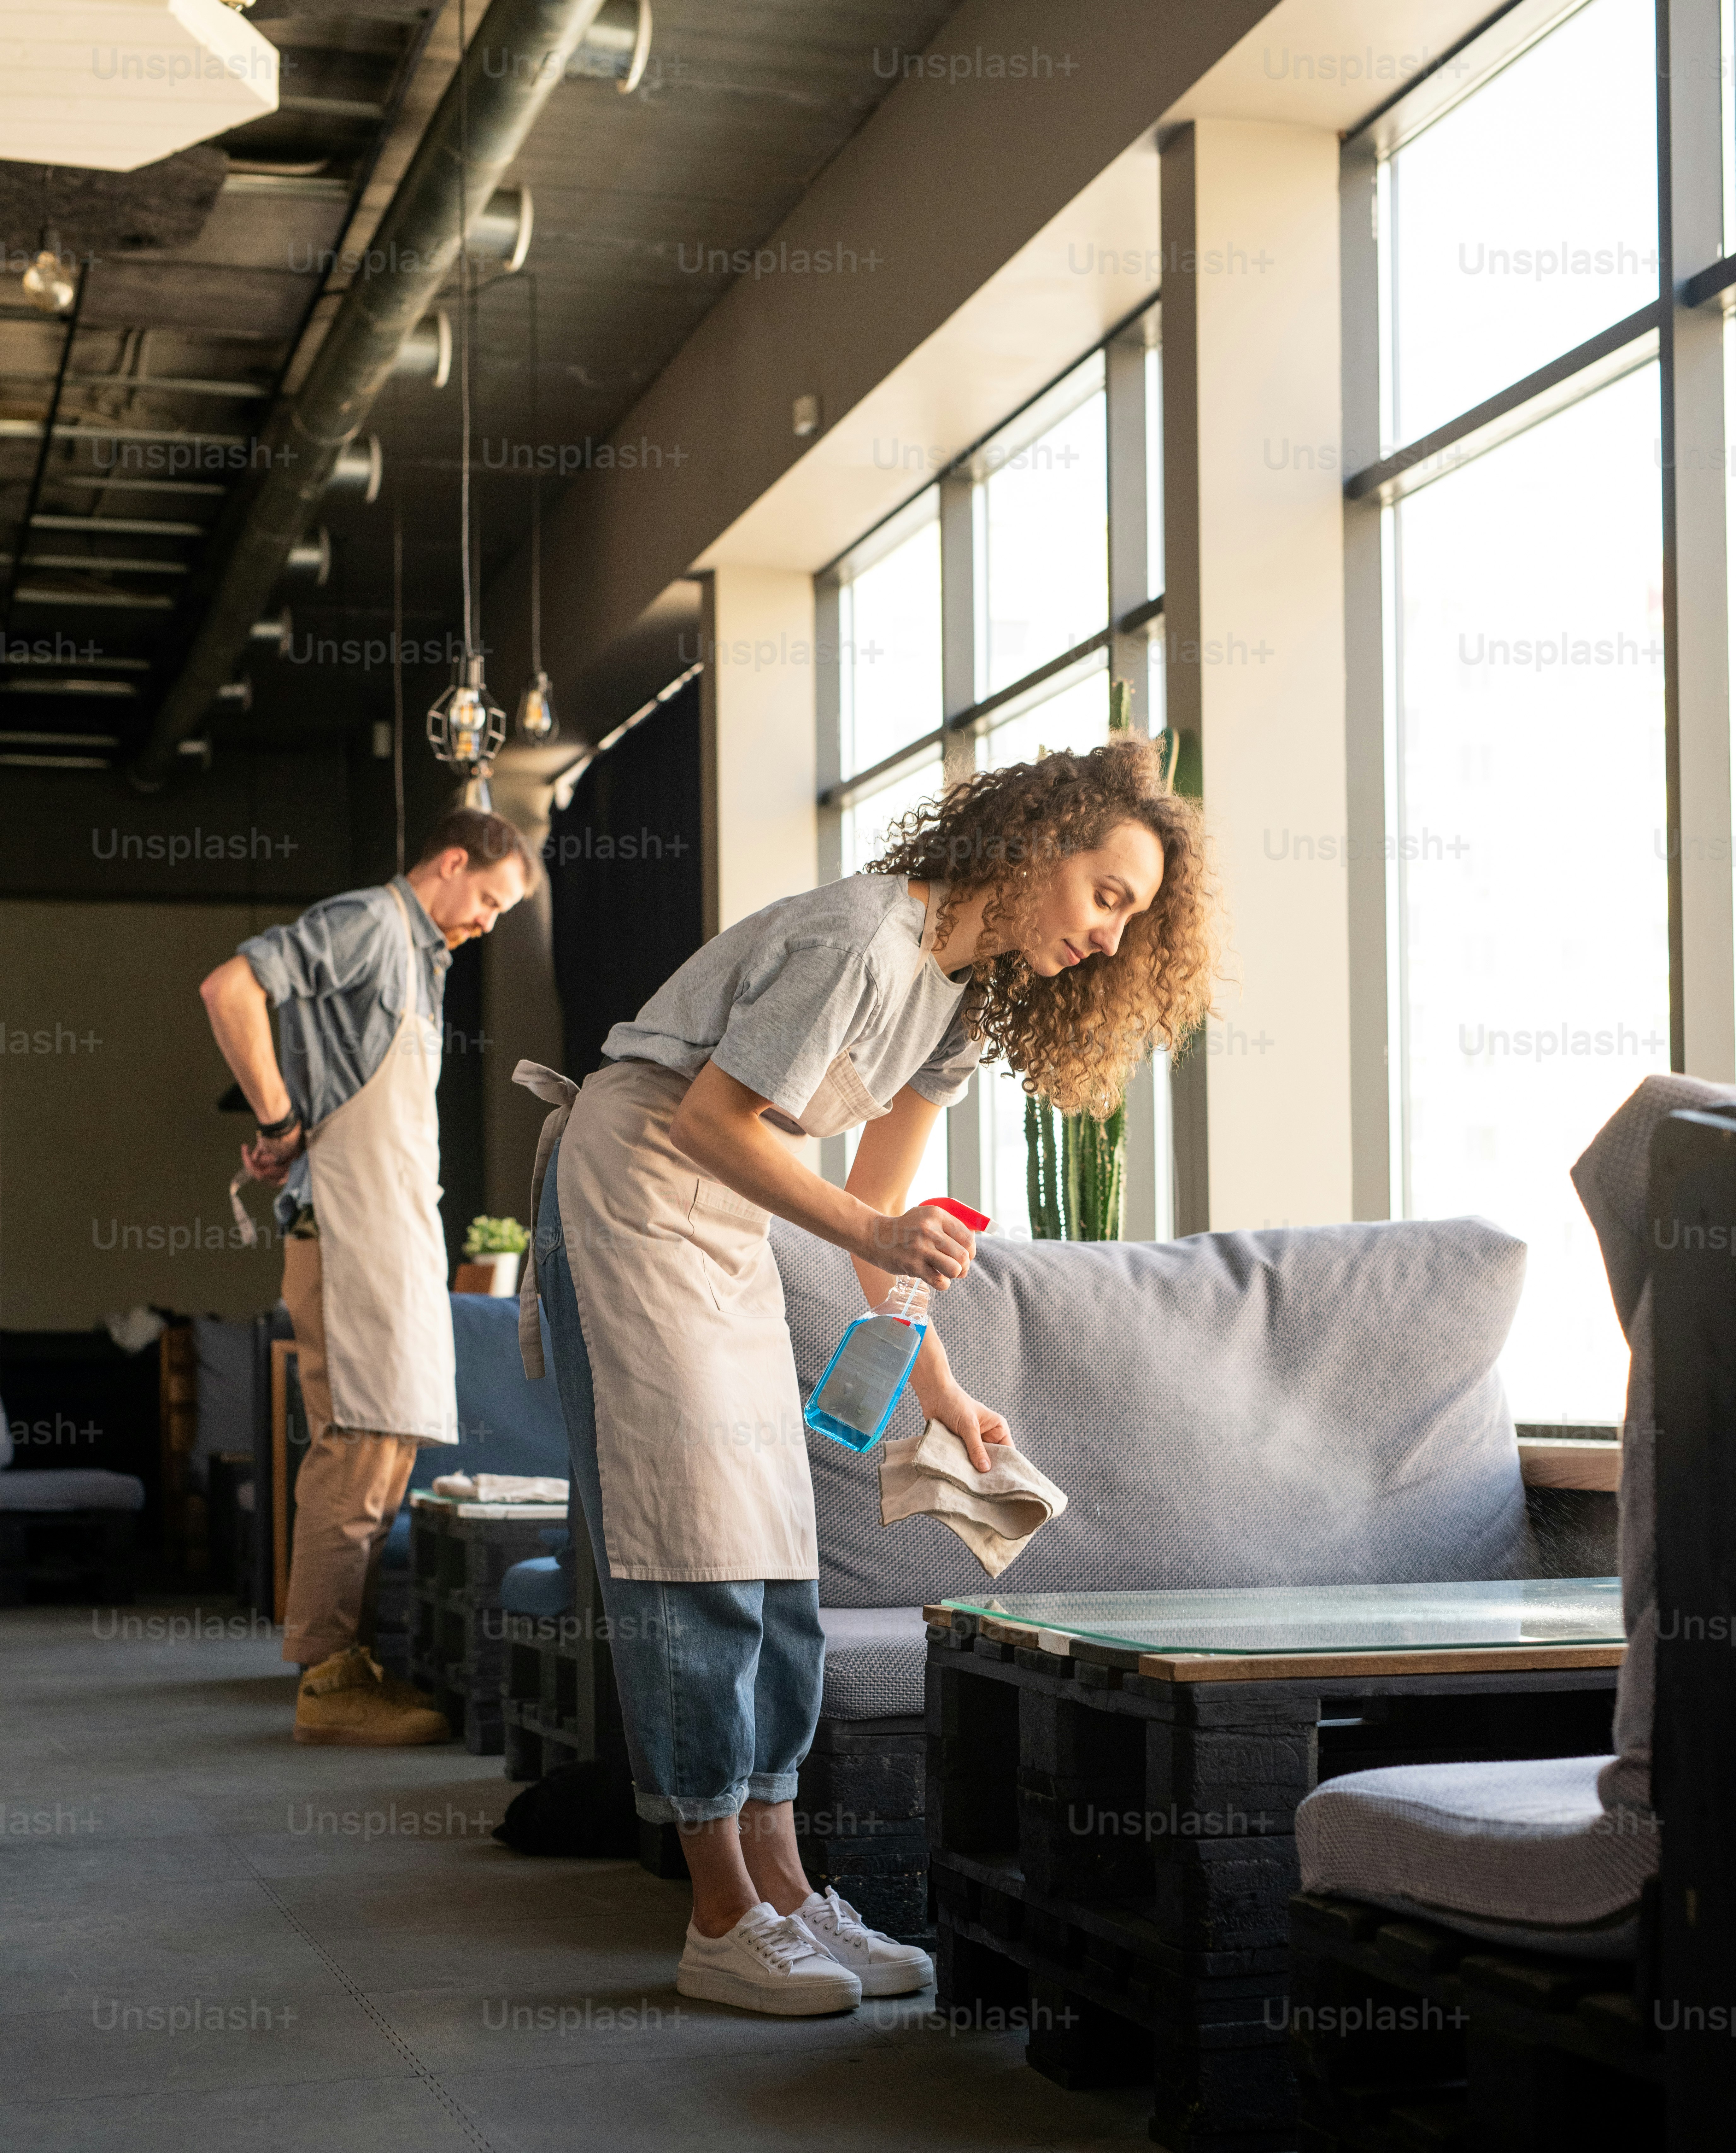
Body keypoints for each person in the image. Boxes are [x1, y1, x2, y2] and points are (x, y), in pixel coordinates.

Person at [518, 738, 1219, 2014]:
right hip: (632, 1183)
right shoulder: (856, 939)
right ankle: (717, 1911)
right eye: (1106, 895)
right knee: (693, 1542)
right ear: (1031, 845)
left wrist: (938, 1389)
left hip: (723, 1219)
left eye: (1133, 918)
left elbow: (873, 1205)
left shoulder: (954, 1005)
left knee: (778, 1546)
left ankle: (785, 1889)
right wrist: (873, 1242)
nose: (1112, 939)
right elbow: (708, 1122)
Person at [200, 809, 536, 1743]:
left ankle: (346, 1661)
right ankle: (325, 1677)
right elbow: (231, 989)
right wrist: (276, 1125)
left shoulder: (418, 957)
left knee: (392, 1439)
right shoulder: (371, 921)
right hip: (352, 1227)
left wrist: (293, 1129)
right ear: (452, 863)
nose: (488, 923)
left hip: (387, 1221)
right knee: (358, 1438)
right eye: (489, 900)